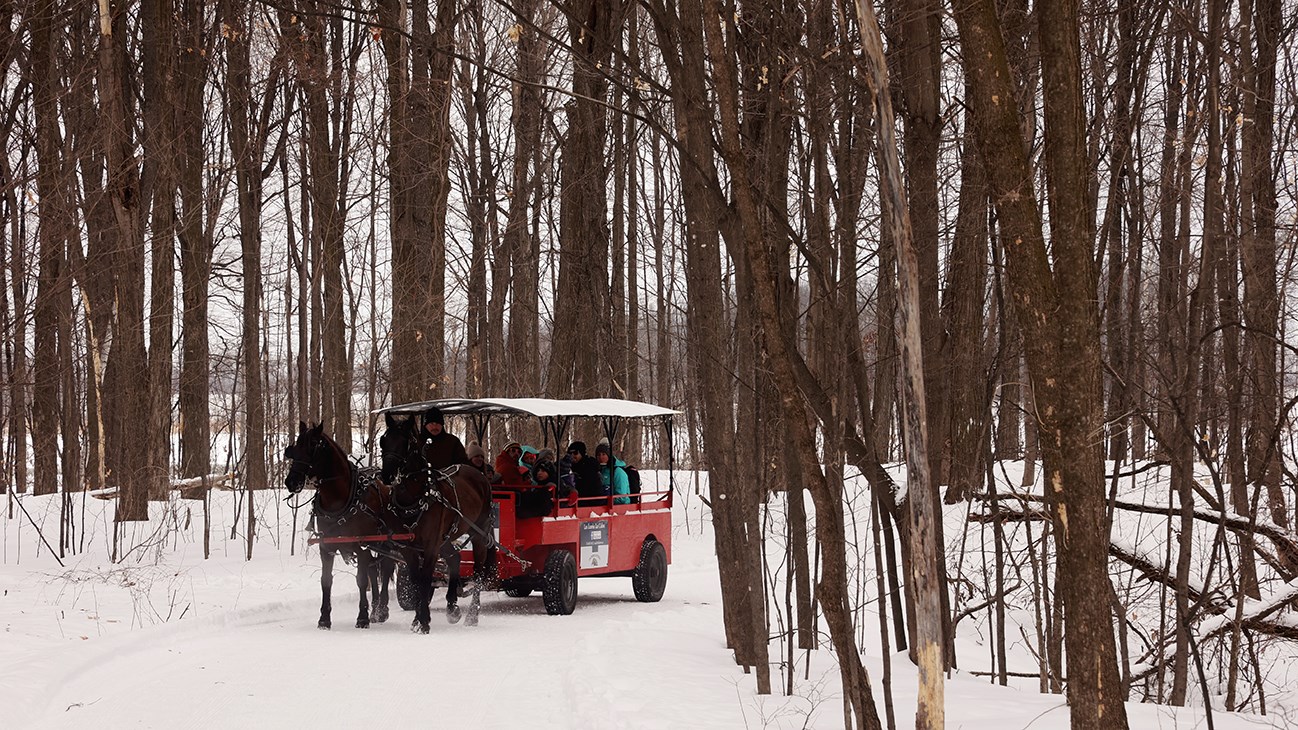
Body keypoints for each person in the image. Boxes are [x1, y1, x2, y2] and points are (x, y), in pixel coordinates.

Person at [595, 440, 631, 505]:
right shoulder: (598, 471)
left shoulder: (618, 472)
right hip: (602, 506)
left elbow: (622, 497)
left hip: (619, 507)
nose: (601, 457)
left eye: (603, 454)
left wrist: (606, 501)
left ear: (609, 455)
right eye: (598, 455)